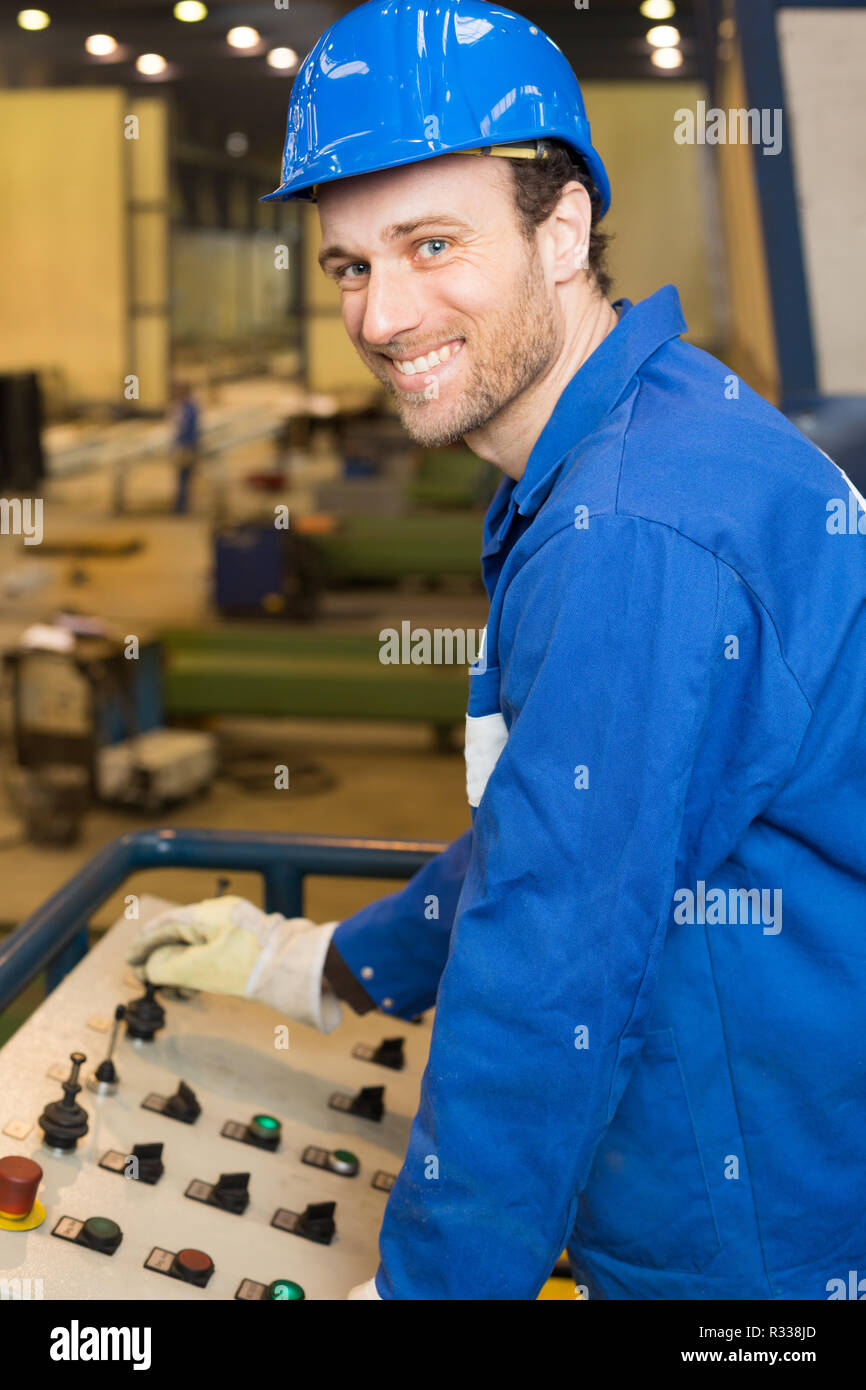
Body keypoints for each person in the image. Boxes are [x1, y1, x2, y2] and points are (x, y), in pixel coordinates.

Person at [128, 0, 866, 1300]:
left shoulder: (629, 524)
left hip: (749, 1229)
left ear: (563, 226)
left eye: (430, 243)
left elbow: (555, 956)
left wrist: (431, 1287)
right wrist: (338, 959)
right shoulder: (645, 426)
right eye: (351, 264)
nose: (384, 314)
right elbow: (570, 818)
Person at [171, 381, 200, 515]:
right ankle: (181, 505)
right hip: (187, 445)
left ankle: (181, 507)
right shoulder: (189, 407)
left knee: (183, 477)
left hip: (186, 446)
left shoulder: (187, 409)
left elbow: (183, 428)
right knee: (184, 478)